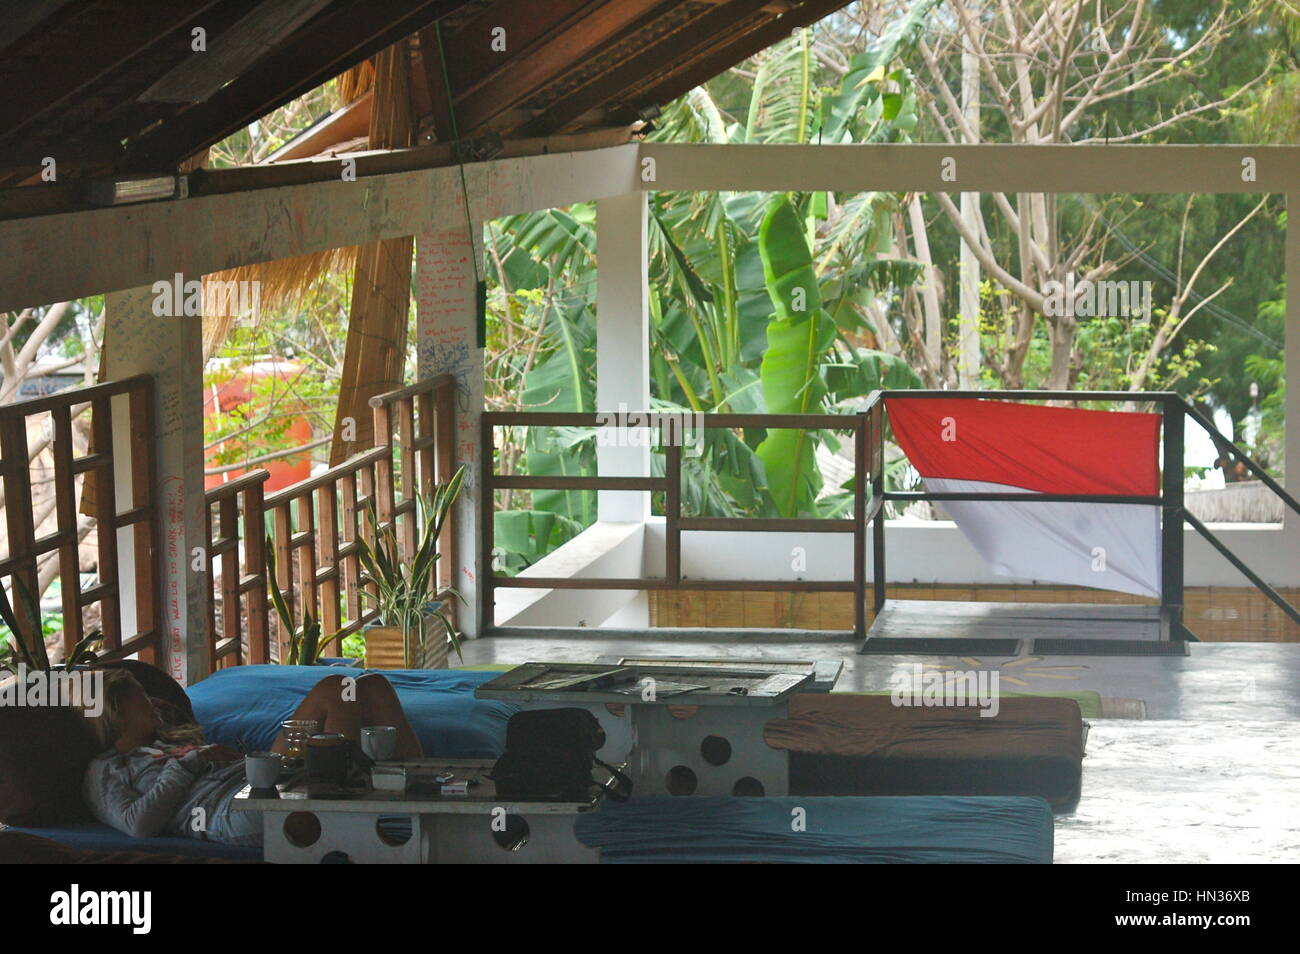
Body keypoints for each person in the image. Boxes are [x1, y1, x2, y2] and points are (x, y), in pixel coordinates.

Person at [81, 669, 423, 848]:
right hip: (232, 808)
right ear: (117, 714)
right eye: (141, 699)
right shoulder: (106, 769)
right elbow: (138, 825)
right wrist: (191, 762)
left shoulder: (160, 741)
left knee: (367, 686)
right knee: (336, 690)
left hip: (257, 777)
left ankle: (419, 790)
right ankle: (347, 797)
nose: (153, 703)